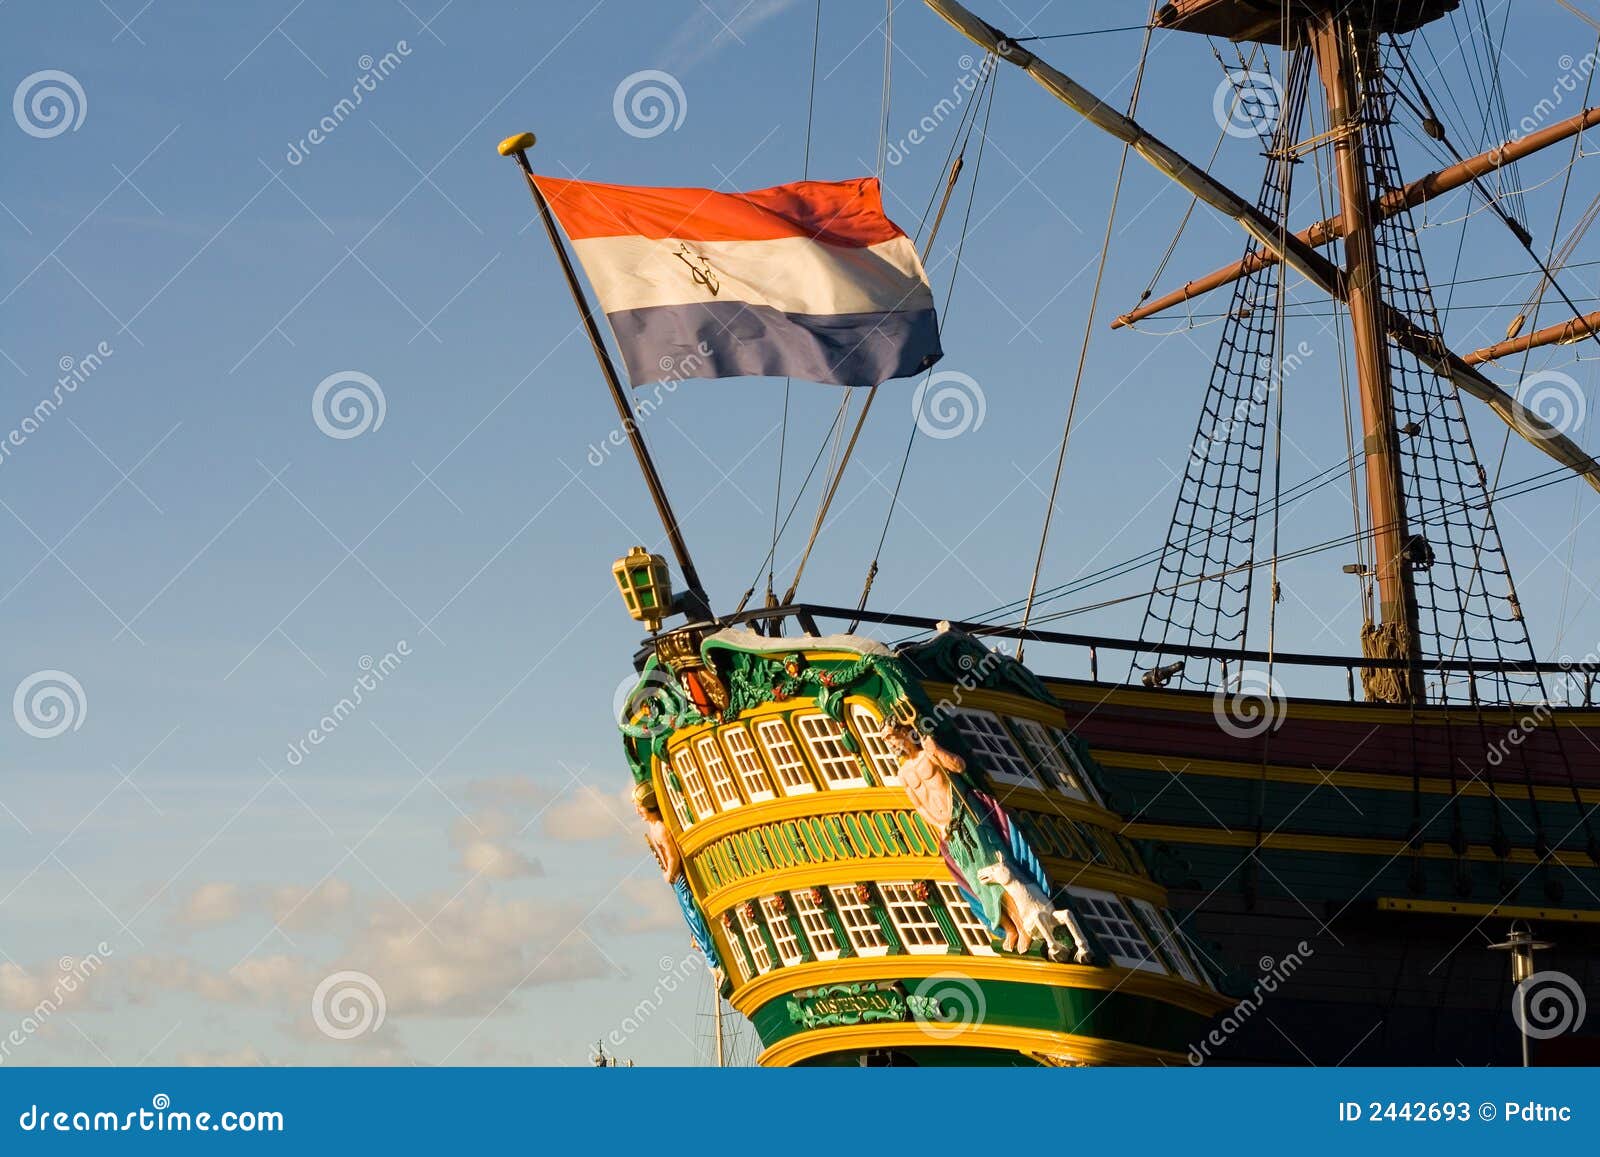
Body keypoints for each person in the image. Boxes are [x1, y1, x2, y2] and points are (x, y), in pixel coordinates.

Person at [881, 721, 1031, 953]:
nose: (890, 743)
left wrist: (936, 750)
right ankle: (1008, 927)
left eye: (891, 736)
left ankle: (1023, 925)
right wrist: (940, 824)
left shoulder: (928, 754)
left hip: (966, 815)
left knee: (994, 868)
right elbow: (919, 805)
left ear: (904, 731)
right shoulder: (903, 774)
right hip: (949, 829)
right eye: (885, 740)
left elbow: (959, 766)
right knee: (976, 881)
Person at [634, 781, 723, 980]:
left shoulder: (660, 829)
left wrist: (668, 874)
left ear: (648, 807)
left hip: (679, 879)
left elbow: (673, 856)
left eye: (639, 807)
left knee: (692, 914)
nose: (637, 811)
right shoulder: (653, 827)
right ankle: (706, 951)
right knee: (688, 915)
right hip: (676, 880)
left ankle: (713, 959)